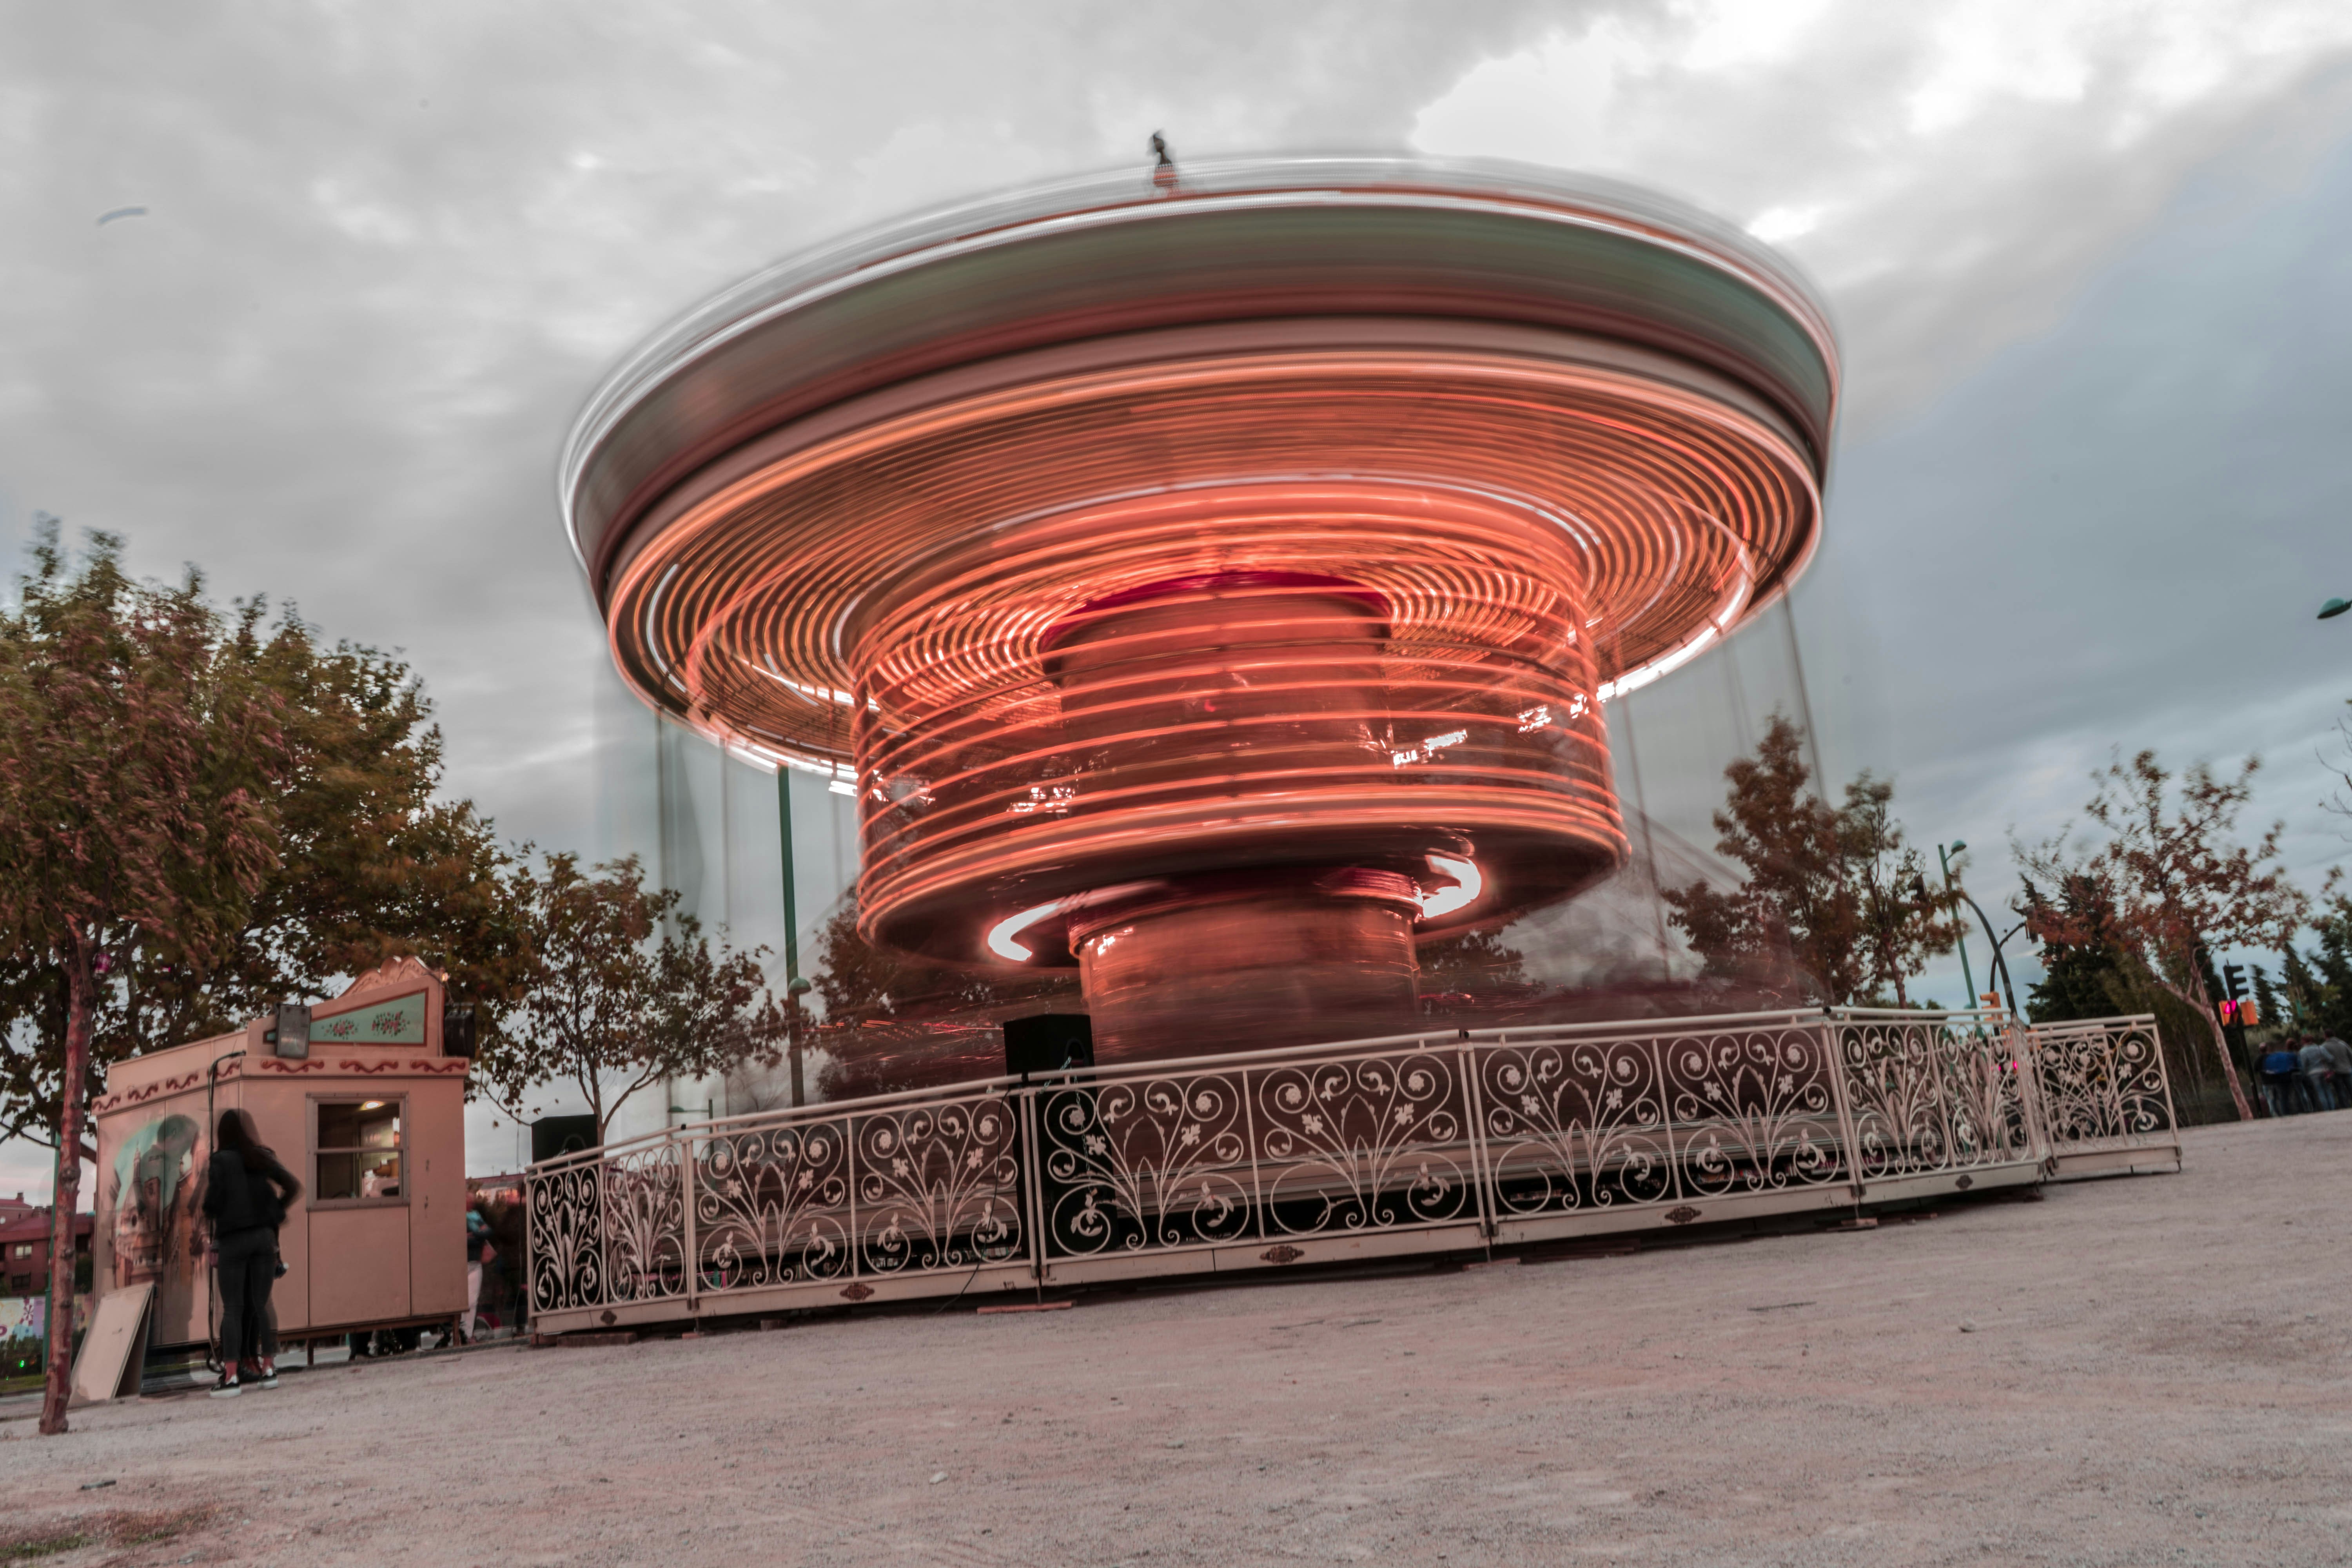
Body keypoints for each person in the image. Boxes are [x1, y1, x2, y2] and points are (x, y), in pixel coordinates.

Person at [200, 1108, 301, 1397]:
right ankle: (269, 1369)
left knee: (233, 1308)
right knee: (261, 1303)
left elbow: (212, 1205)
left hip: (234, 1240)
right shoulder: (261, 1157)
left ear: (222, 1135)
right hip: (264, 1239)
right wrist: (273, 1212)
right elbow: (293, 1186)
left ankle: (231, 1377)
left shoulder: (220, 1162)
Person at [462, 1201, 495, 1343]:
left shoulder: (475, 1215)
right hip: (462, 1264)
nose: (470, 1204)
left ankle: (468, 1334)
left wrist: (474, 1234)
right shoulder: (456, 1216)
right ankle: (463, 1333)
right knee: (462, 1302)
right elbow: (459, 1240)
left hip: (476, 1263)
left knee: (473, 1301)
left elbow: (489, 1232)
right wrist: (479, 1234)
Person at [2259, 1044, 2303, 1116]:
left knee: (2283, 1098)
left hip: (2278, 1080)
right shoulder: (2285, 1056)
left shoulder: (2269, 1059)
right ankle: (2297, 1111)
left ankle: (2286, 1113)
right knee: (2293, 1095)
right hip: (2288, 1078)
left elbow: (2268, 1070)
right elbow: (2291, 1065)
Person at [2298, 1035, 2338, 1113]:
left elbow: (2304, 1064)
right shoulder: (2320, 1048)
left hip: (2313, 1074)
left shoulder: (2303, 1051)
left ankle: (2326, 1109)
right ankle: (2333, 1108)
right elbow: (2331, 1058)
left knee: (2320, 1092)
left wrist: (2305, 1073)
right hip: (2324, 1072)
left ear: (2304, 1041)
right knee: (2328, 1090)